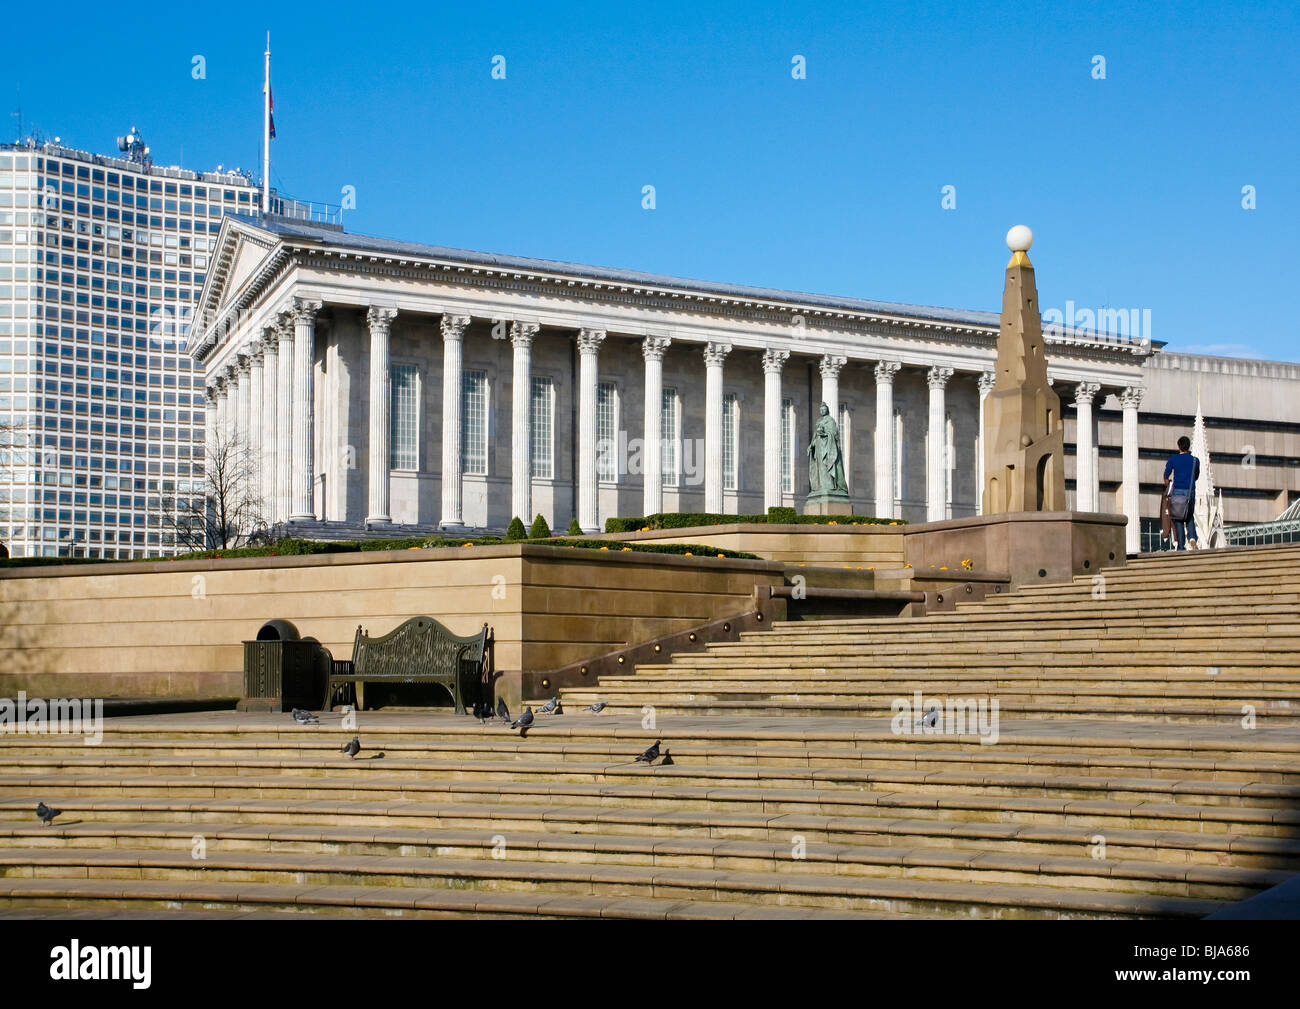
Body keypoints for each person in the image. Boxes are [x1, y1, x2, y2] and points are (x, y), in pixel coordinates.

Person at [1162, 435, 1200, 551]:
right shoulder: (1195, 460)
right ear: (1188, 447)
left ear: (1179, 446)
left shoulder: (1174, 459)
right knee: (1189, 514)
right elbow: (1196, 476)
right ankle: (1192, 537)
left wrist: (1167, 482)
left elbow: (1166, 474)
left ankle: (1181, 545)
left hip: (1177, 491)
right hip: (1190, 491)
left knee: (1178, 517)